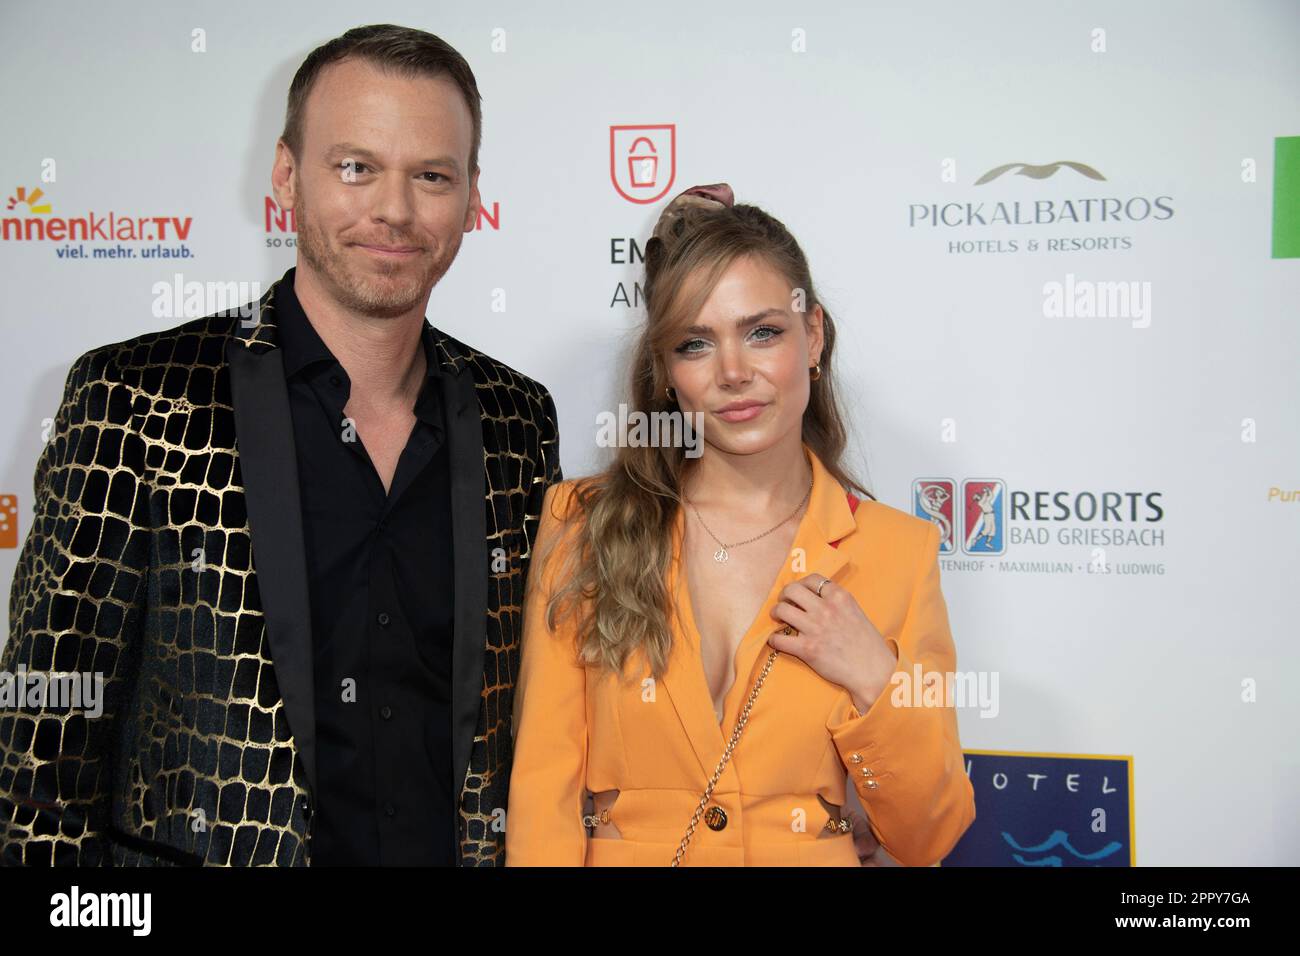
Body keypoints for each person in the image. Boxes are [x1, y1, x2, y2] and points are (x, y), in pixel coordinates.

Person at [0, 24, 561, 866]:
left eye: (432, 176)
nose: (395, 210)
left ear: (473, 193)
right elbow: (43, 750)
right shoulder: (136, 399)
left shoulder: (519, 418)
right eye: (356, 166)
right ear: (286, 174)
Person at [506, 183, 975, 866]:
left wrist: (875, 676)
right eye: (696, 343)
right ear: (666, 371)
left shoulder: (896, 552)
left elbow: (927, 833)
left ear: (812, 334)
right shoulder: (582, 525)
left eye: (763, 332)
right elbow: (543, 794)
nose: (733, 372)